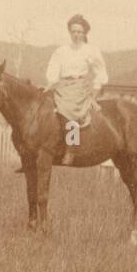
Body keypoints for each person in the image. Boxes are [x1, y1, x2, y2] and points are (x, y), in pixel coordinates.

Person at [44, 14, 107, 166]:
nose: (76, 34)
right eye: (73, 31)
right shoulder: (61, 51)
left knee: (69, 110)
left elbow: (101, 72)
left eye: (79, 31)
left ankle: (71, 149)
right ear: (69, 32)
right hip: (61, 86)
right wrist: (48, 86)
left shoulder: (90, 51)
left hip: (79, 88)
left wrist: (95, 91)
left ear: (84, 33)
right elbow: (53, 72)